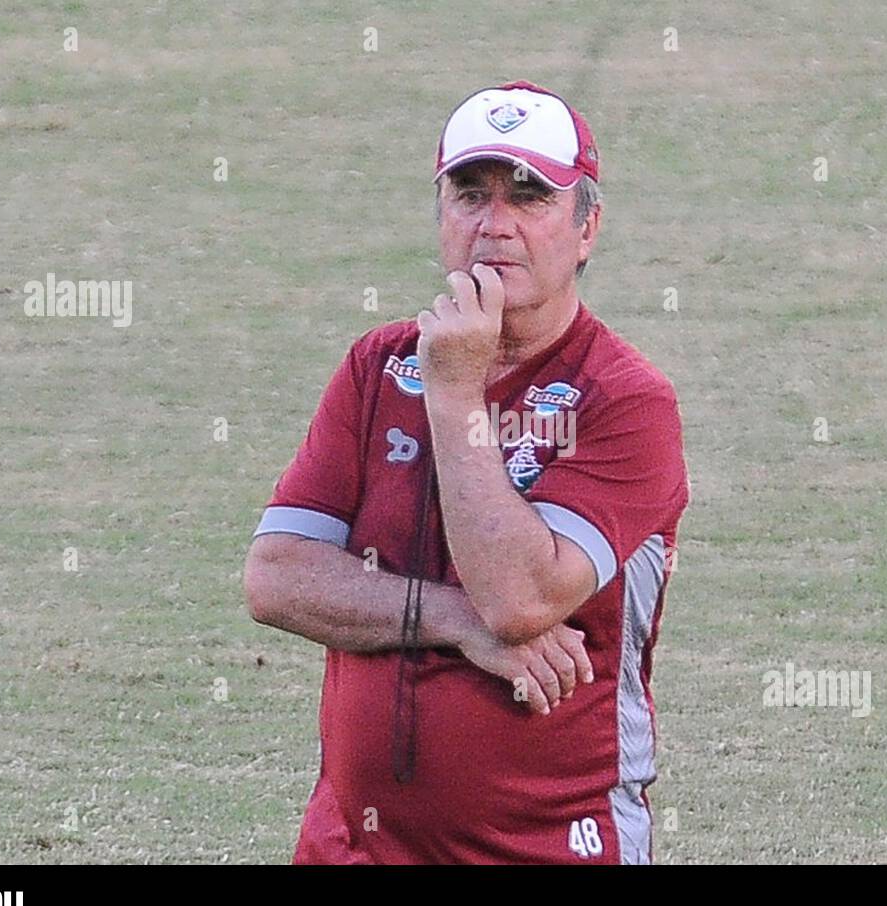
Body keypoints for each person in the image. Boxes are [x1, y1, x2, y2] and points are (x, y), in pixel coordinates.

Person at [243, 80, 689, 864]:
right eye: (471, 194)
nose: (496, 225)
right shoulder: (377, 367)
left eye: (531, 198)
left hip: (550, 845)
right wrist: (453, 622)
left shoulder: (625, 400)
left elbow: (519, 598)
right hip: (352, 847)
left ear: (587, 230)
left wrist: (454, 392)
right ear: (442, 216)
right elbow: (276, 579)